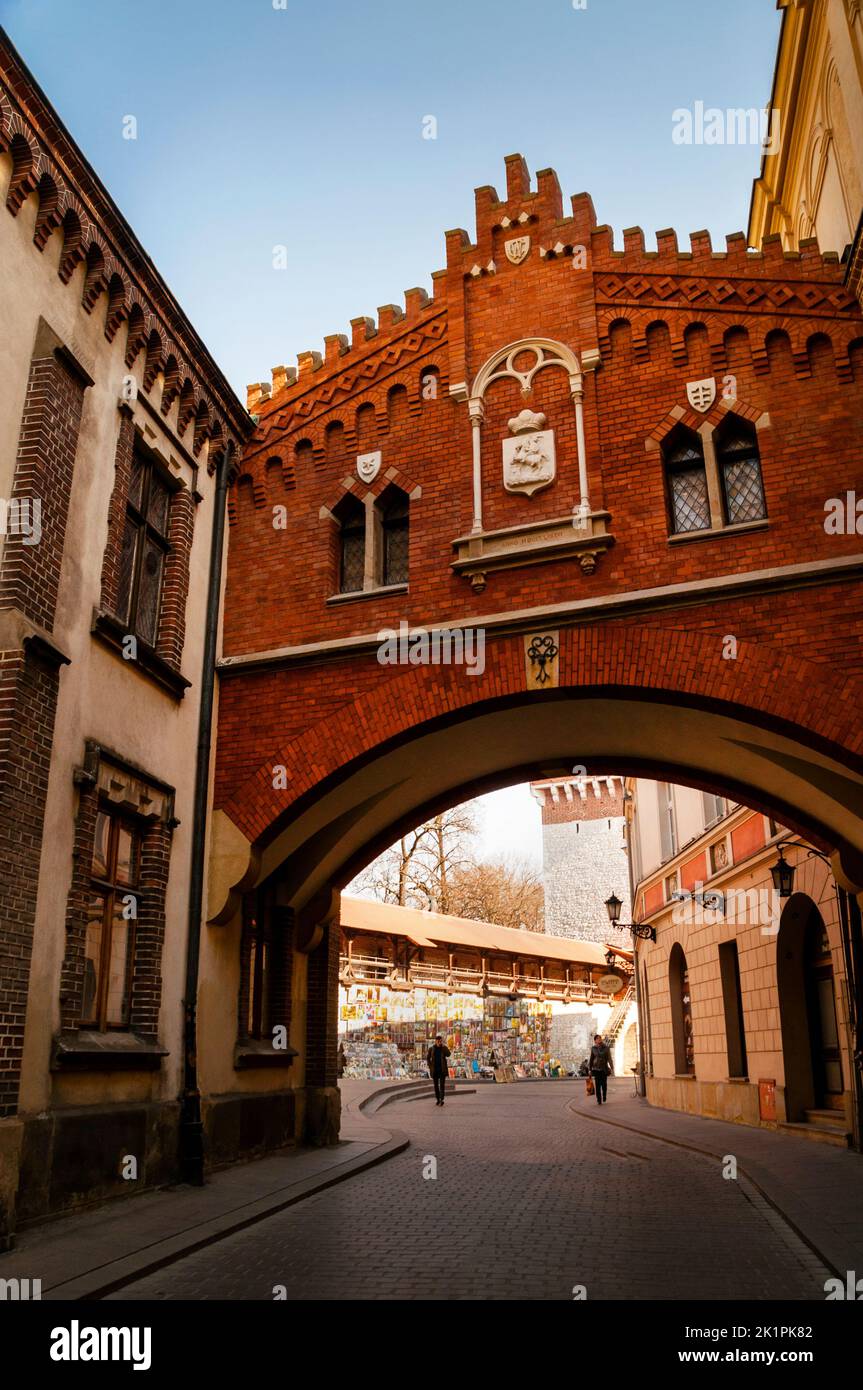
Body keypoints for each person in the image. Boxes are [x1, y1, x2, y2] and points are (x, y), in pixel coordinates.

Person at [589, 1033, 613, 1105]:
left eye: (600, 1038)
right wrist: (590, 1069)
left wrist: (612, 1067)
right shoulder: (593, 1048)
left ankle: (604, 1095)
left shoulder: (606, 1048)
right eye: (597, 1039)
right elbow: (591, 1059)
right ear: (595, 1041)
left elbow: (609, 1058)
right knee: (597, 1085)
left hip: (604, 1069)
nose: (599, 1039)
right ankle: (599, 1099)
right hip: (596, 1069)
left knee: (604, 1084)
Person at [427, 1034, 451, 1106]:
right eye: (438, 1041)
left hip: (442, 1070)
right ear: (435, 1041)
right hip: (435, 1071)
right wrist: (430, 1066)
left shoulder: (443, 1048)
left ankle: (441, 1099)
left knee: (442, 1086)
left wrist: (444, 1047)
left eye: (440, 1041)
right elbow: (428, 1058)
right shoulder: (431, 1049)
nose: (439, 1042)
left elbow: (448, 1054)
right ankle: (437, 1099)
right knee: (436, 1086)